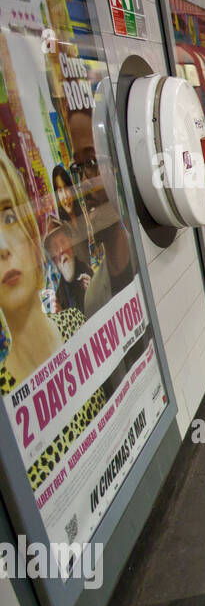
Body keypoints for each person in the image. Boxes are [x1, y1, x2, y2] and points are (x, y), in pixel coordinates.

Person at [0, 147, 104, 490]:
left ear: (32, 243)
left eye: (8, 217)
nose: (2, 246)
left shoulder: (75, 326)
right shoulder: (5, 398)